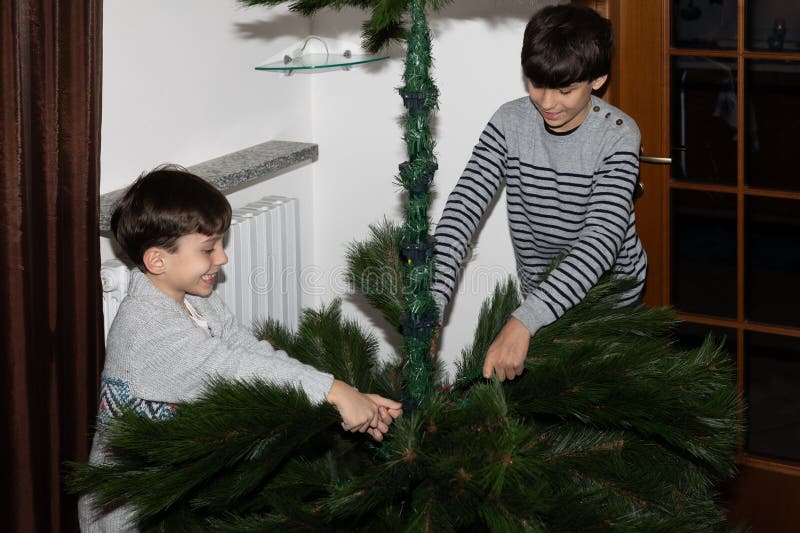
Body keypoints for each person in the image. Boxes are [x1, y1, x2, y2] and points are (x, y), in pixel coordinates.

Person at [79, 166, 402, 531]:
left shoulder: (194, 299)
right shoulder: (148, 331)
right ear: (157, 260)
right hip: (132, 514)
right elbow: (236, 369)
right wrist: (333, 391)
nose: (222, 258)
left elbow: (248, 350)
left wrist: (346, 395)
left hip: (180, 494)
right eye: (208, 249)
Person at [431, 4, 647, 382]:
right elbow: (463, 209)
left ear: (597, 79)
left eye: (565, 90)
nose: (547, 102)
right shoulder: (509, 122)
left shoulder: (618, 136)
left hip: (610, 305)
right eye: (537, 84)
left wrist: (523, 321)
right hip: (540, 299)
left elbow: (601, 241)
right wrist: (431, 306)